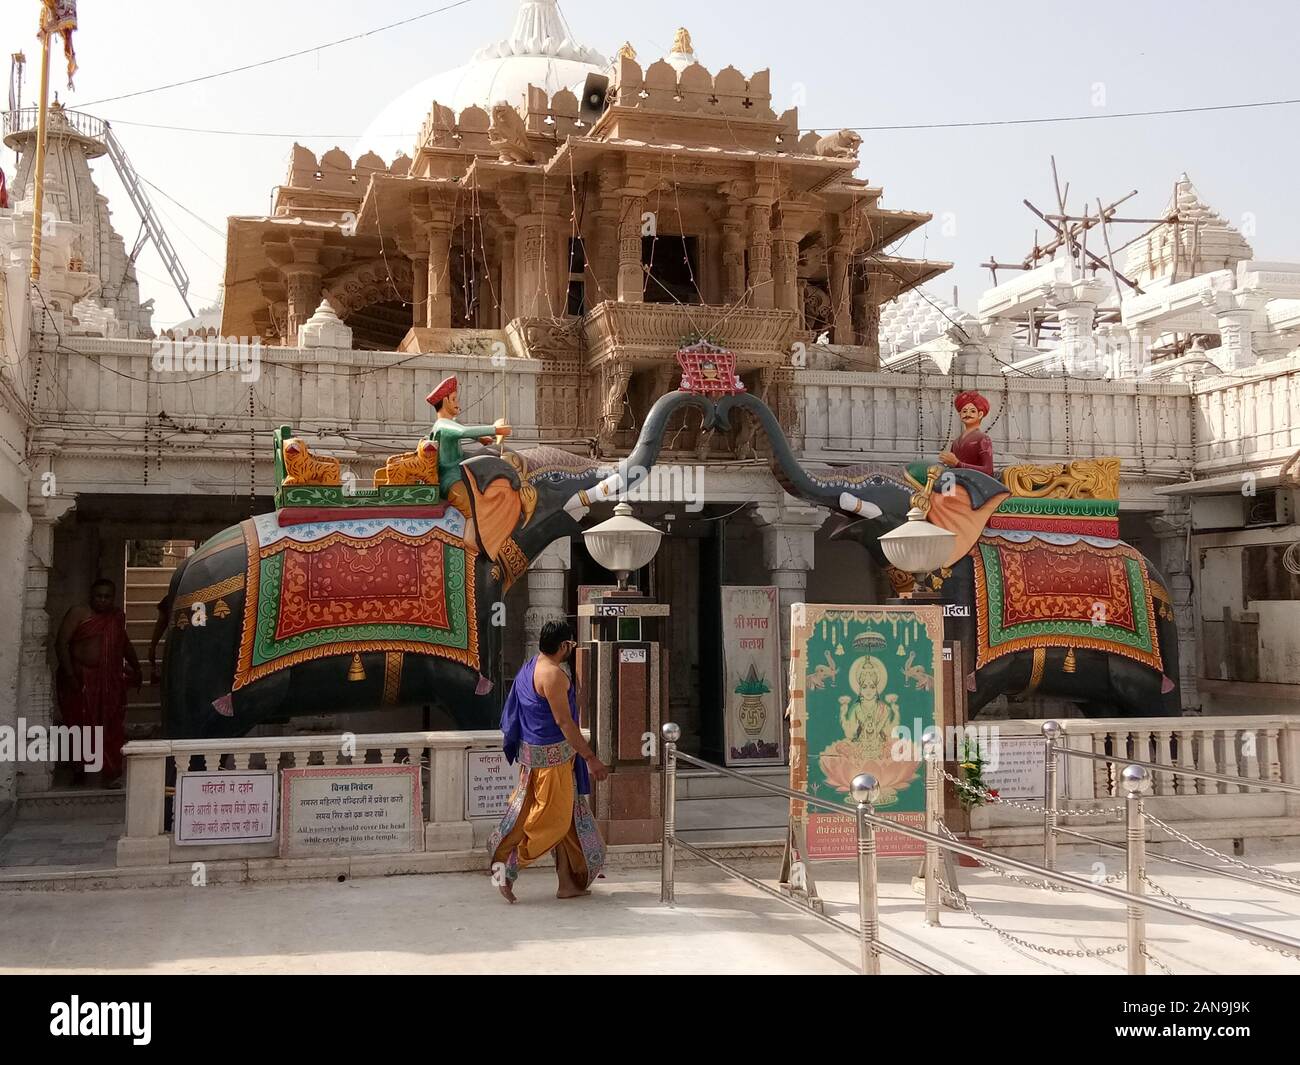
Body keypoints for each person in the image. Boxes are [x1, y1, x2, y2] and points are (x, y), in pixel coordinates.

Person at [487, 619, 609, 903]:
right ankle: (509, 868)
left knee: (568, 826)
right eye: (572, 645)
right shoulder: (553, 675)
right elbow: (564, 723)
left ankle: (568, 884)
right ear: (564, 645)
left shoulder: (529, 667)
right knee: (550, 824)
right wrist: (591, 758)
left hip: (535, 760)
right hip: (552, 764)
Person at [55, 578, 141, 787]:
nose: (102, 601)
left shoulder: (116, 617)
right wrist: (70, 676)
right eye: (98, 596)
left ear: (113, 598)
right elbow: (61, 643)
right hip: (81, 678)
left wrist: (137, 667)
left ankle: (108, 772)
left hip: (108, 681)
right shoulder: (79, 613)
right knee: (79, 724)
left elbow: (124, 643)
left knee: (109, 725)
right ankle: (79, 768)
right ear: (91, 597)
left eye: (107, 597)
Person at [425, 376, 511, 514]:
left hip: (461, 469)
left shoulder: (451, 422)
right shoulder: (443, 425)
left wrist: (481, 439)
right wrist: (495, 429)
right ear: (445, 401)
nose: (458, 404)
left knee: (489, 455)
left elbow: (465, 430)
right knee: (474, 512)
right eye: (454, 399)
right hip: (451, 479)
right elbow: (464, 432)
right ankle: (471, 536)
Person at [938, 390, 995, 476]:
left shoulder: (983, 439)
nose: (967, 414)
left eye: (972, 411)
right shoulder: (956, 442)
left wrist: (958, 464)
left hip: (976, 482)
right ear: (960, 414)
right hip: (958, 479)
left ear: (980, 414)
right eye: (964, 411)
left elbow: (988, 470)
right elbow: (952, 467)